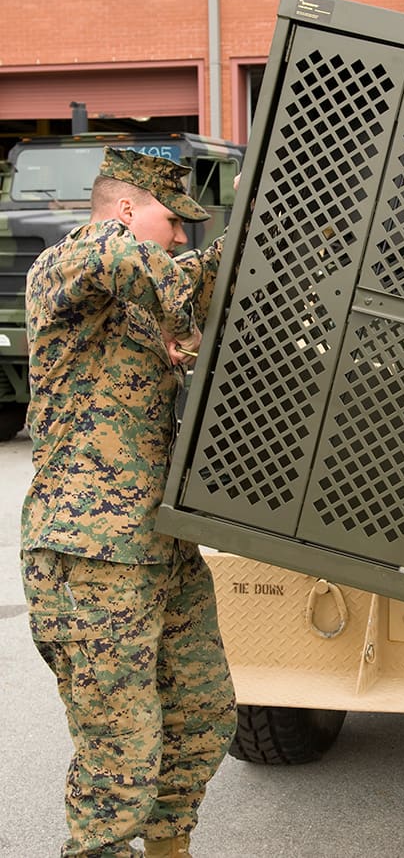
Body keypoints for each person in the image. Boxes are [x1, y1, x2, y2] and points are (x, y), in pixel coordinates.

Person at [20, 147, 237, 858]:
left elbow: (202, 280)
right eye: (171, 220)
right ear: (123, 210)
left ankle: (170, 845)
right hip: (91, 551)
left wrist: (273, 228)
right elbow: (133, 268)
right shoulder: (72, 264)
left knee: (204, 713)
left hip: (161, 543)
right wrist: (183, 318)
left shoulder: (143, 300)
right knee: (120, 751)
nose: (180, 236)